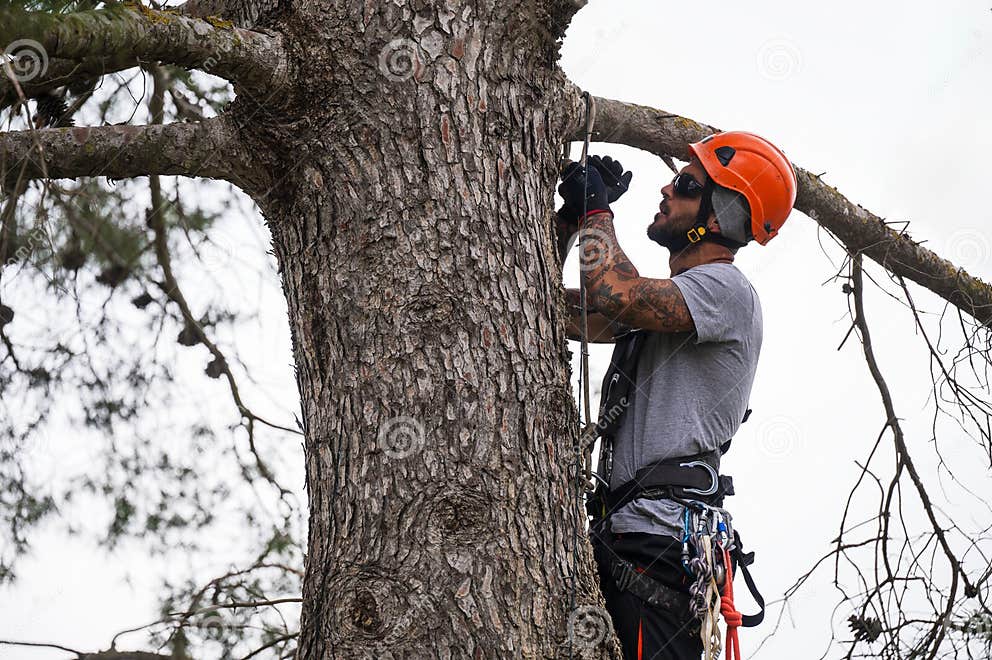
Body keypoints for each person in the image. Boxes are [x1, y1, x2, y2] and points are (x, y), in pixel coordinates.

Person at [555, 132, 797, 660]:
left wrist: (598, 212)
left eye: (686, 185)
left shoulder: (726, 292)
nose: (667, 188)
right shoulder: (667, 313)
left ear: (722, 215)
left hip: (661, 547)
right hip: (627, 535)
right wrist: (569, 223)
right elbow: (537, 306)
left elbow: (612, 291)